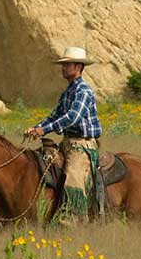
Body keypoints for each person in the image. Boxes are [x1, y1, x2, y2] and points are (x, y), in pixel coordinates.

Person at [25, 46, 102, 222]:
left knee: (72, 179)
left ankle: (70, 221)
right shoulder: (67, 92)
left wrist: (44, 130)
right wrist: (36, 127)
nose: (63, 68)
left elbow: (72, 118)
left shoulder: (84, 91)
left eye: (67, 65)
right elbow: (55, 115)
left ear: (78, 67)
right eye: (63, 65)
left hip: (82, 146)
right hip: (67, 143)